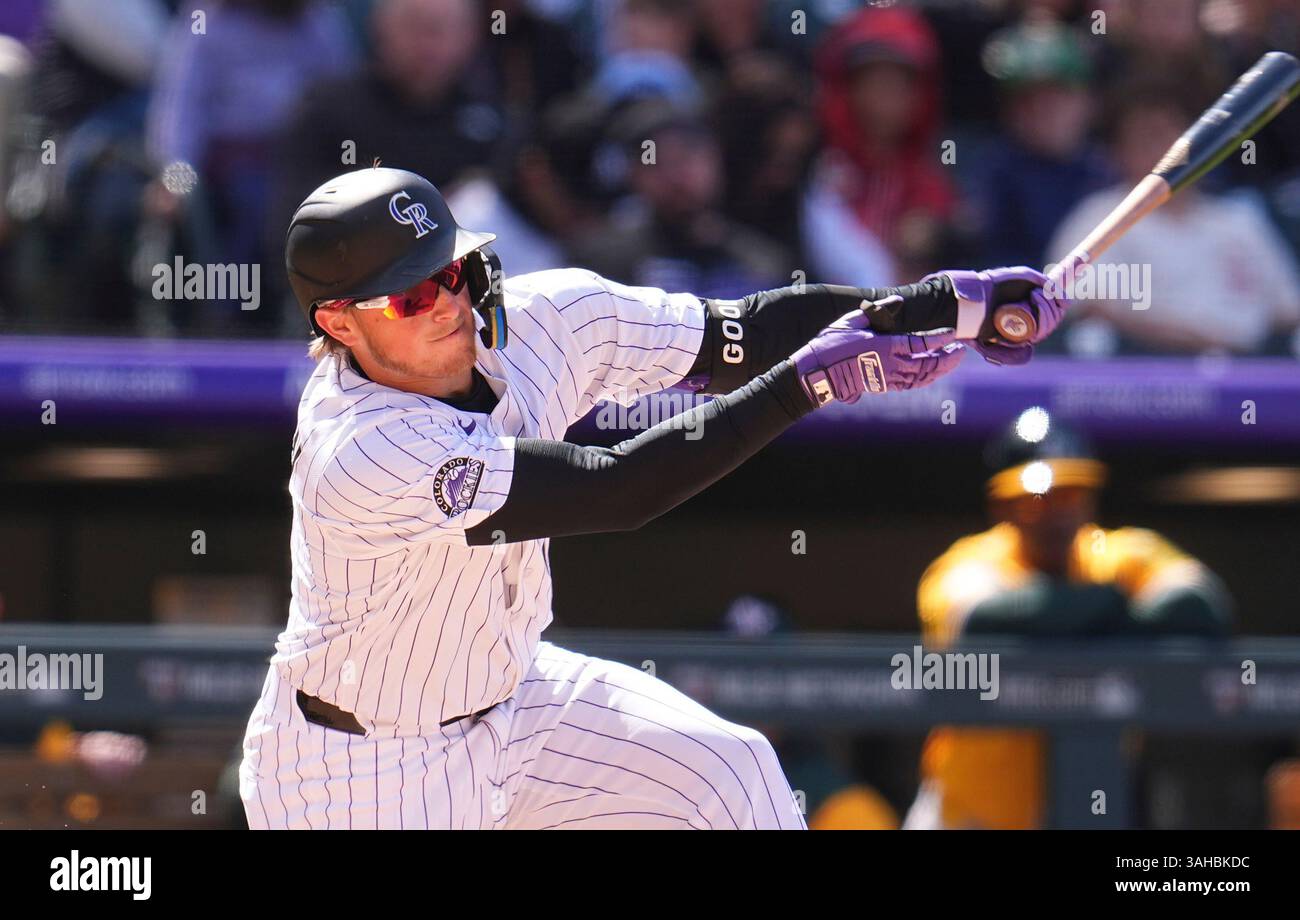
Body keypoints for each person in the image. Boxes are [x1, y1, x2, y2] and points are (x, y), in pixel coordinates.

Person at [238, 165, 1062, 830]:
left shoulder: (543, 318)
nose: (451, 304)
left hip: (517, 701)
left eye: (455, 271)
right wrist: (807, 387)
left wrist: (951, 307)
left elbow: (739, 334)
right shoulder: (362, 447)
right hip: (359, 768)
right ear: (341, 324)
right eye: (413, 296)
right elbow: (618, 489)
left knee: (730, 773)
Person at [904, 407, 1232, 830]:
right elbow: (981, 618)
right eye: (1038, 497)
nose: (1058, 512)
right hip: (970, 816)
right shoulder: (967, 563)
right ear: (1002, 505)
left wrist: (1084, 614)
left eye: (1071, 493)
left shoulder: (1116, 553)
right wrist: (1114, 608)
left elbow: (1202, 604)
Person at [1047, 82, 1300, 355]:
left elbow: (1287, 310)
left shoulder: (1239, 219)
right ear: (1119, 152)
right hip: (1148, 372)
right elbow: (1088, 310)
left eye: (1173, 137)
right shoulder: (1100, 216)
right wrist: (1195, 342)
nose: (1164, 151)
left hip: (1250, 371)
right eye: (1149, 138)